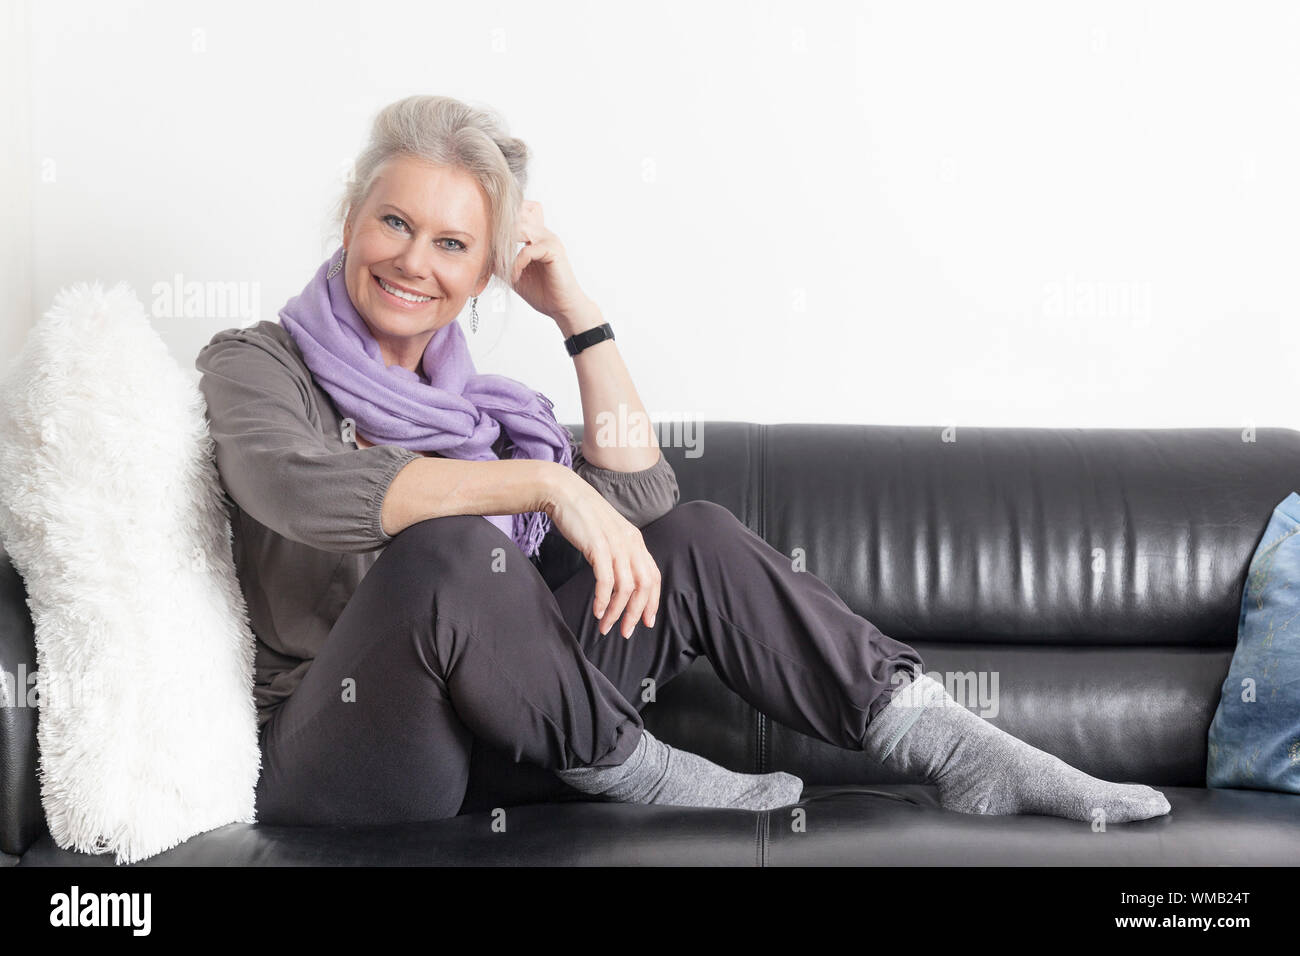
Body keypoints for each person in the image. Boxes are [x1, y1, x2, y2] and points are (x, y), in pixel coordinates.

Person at [195, 94, 1172, 827]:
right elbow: (292, 484)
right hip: (351, 743)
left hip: (503, 729)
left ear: (483, 272)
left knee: (693, 535)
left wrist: (575, 307)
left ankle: (952, 743)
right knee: (451, 553)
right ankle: (638, 767)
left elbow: (644, 498)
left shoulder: (475, 406)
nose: (416, 261)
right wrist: (543, 482)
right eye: (395, 223)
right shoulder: (254, 362)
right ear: (351, 219)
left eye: (454, 243)